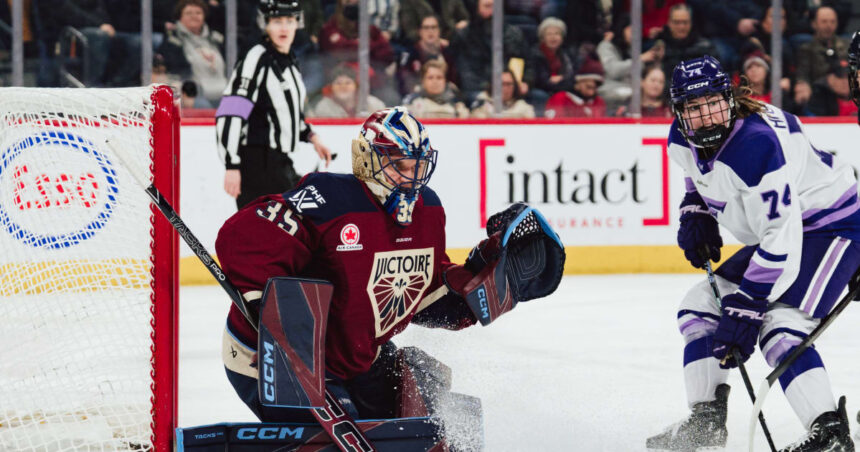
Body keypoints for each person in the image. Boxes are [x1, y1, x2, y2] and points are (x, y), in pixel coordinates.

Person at [214, 107, 564, 433]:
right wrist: (264, 302)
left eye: (417, 166)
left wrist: (481, 283)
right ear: (367, 160)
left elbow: (422, 290)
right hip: (270, 358)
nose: (410, 179)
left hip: (354, 353)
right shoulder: (329, 200)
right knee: (346, 434)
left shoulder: (428, 210)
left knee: (432, 407)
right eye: (399, 165)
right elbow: (243, 236)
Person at [646, 55, 860, 452]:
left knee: (780, 326)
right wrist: (695, 208)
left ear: (728, 100)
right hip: (785, 229)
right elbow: (697, 174)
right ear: (678, 112)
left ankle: (830, 434)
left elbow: (783, 236)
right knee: (700, 308)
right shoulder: (681, 138)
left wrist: (748, 304)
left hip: (830, 224)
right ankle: (706, 421)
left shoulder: (755, 144)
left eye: (712, 103)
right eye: (693, 108)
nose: (705, 116)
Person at [215, 0, 331, 209]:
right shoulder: (257, 57)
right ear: (265, 24)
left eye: (289, 20)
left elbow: (287, 113)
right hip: (257, 162)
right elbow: (231, 111)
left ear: (298, 23)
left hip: (278, 161)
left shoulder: (287, 60)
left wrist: (311, 136)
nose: (284, 27)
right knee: (283, 225)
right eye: (277, 21)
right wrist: (231, 165)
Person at [158, 0, 228, 105]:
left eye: (198, 13)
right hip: (192, 93)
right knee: (202, 105)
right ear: (180, 17)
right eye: (188, 13)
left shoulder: (216, 38)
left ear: (204, 16)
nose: (194, 16)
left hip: (224, 90)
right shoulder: (172, 39)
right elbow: (175, 70)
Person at [793, 6, 849, 113]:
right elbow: (802, 74)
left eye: (832, 22)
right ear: (814, 24)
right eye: (824, 22)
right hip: (819, 96)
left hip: (847, 93)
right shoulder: (806, 49)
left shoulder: (847, 46)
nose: (829, 26)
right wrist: (803, 84)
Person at [310, 63, 386, 117]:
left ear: (356, 86)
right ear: (331, 87)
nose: (343, 87)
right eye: (338, 83)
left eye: (348, 83)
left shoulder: (374, 104)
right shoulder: (323, 107)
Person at [403, 59, 469, 118]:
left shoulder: (457, 105)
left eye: (439, 77)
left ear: (445, 81)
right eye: (430, 77)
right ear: (423, 81)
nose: (435, 82)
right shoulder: (412, 103)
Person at [470, 69, 536, 118]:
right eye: (501, 84)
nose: (505, 88)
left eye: (509, 84)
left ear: (514, 86)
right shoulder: (482, 103)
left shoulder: (523, 107)